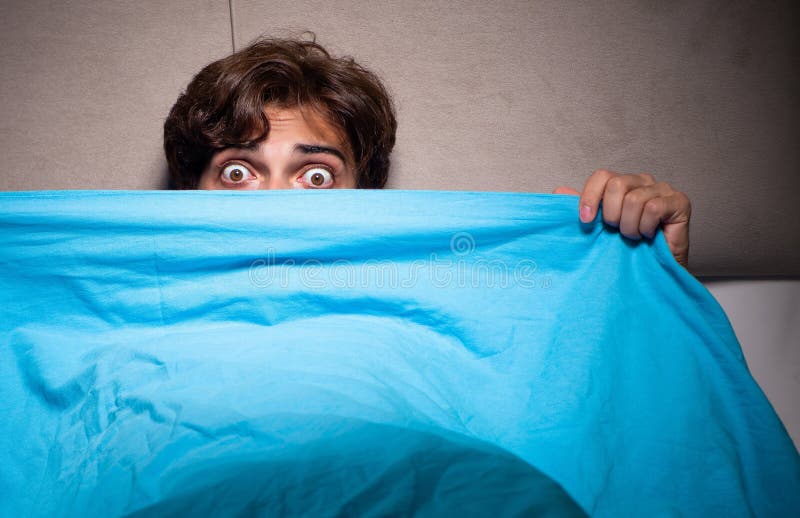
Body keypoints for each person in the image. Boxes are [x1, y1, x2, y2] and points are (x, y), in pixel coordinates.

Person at [164, 36, 691, 267]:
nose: (277, 202)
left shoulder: (446, 294)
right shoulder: (128, 320)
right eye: (237, 172)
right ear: (191, 194)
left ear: (365, 195)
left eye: (316, 176)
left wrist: (653, 276)